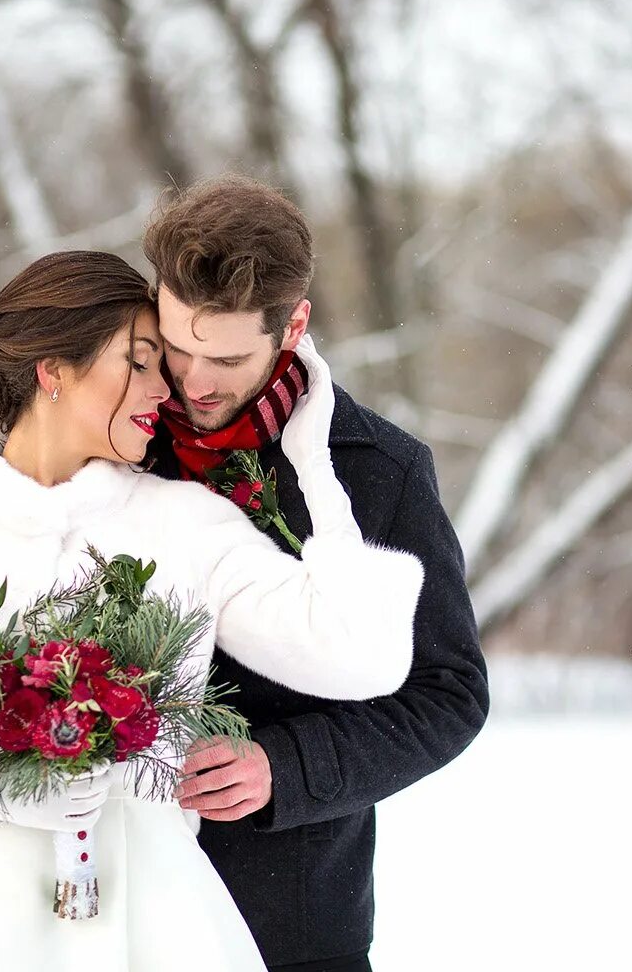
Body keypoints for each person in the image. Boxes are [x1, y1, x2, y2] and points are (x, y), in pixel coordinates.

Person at [0, 250, 424, 972]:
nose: (167, 387)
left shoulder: (188, 523)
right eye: (139, 361)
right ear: (53, 371)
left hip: (157, 932)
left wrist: (314, 459)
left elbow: (360, 658)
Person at [142, 177, 490, 972]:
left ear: (293, 326)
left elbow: (449, 693)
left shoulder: (381, 472)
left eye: (227, 358)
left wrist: (286, 767)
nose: (193, 381)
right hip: (115, 917)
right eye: (177, 347)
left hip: (291, 927)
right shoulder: (112, 440)